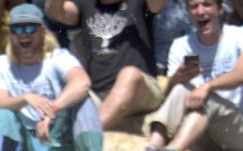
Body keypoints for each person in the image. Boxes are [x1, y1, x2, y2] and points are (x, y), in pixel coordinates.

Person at [114, 0, 243, 151]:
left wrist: (207, 86)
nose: (201, 11)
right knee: (180, 89)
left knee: (206, 98)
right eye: (194, 7)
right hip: (203, 139)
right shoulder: (182, 45)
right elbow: (169, 98)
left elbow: (241, 75)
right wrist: (177, 78)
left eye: (207, 4)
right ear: (188, 13)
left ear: (220, 9)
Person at [0, 4, 105, 151]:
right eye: (17, 29)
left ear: (42, 31)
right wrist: (25, 98)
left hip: (62, 145)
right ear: (10, 34)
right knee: (4, 114)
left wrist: (52, 110)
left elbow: (82, 82)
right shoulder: (0, 65)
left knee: (84, 101)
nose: (23, 35)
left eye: (30, 28)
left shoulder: (58, 57)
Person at [46, 0, 166, 132]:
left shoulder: (139, 2)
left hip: (142, 88)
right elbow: (55, 12)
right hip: (98, 93)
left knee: (129, 75)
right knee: (66, 88)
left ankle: (89, 136)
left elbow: (157, 5)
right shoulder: (86, 4)